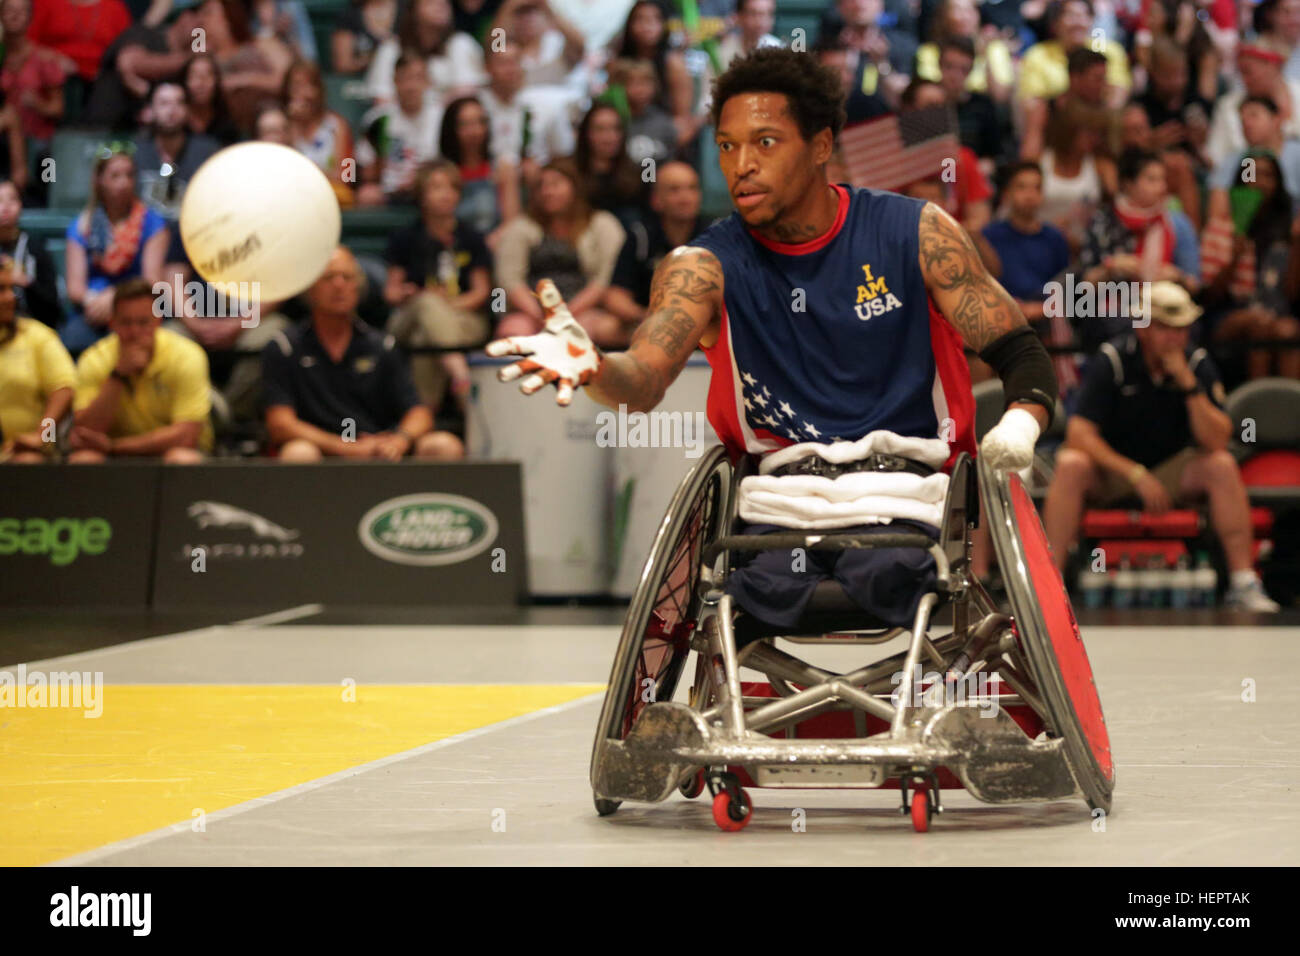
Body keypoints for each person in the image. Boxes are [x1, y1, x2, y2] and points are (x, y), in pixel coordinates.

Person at [486, 47, 1061, 631]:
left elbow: (1021, 351)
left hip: (910, 497)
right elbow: (642, 382)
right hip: (778, 507)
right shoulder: (702, 266)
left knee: (886, 573)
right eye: (727, 146)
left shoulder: (916, 232)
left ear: (819, 146)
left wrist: (1020, 424)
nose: (742, 165)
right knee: (758, 587)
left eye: (765, 142)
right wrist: (596, 369)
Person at [1042, 281, 1280, 612]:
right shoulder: (1112, 360)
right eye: (1166, 328)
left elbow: (1216, 439)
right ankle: (1049, 585)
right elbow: (1079, 434)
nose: (1176, 338)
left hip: (1173, 471)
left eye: (1182, 329)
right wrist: (1135, 474)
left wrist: (1189, 387)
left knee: (1221, 465)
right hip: (1115, 471)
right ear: (1143, 328)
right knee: (1070, 464)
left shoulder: (1196, 363)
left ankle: (1243, 582)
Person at [261, 246, 464, 462]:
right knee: (298, 453)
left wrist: (399, 440)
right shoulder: (285, 347)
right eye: (328, 277)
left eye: (347, 277)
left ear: (358, 288)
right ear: (310, 287)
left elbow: (419, 413)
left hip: (380, 449)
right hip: (321, 451)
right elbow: (280, 425)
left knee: (444, 445)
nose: (339, 285)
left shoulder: (383, 346)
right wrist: (345, 447)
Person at [383, 159, 492, 409]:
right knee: (426, 303)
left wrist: (445, 304)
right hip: (410, 317)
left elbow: (481, 292)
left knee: (426, 337)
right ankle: (461, 377)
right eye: (437, 188)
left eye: (452, 188)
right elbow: (391, 292)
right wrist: (406, 294)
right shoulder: (404, 238)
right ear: (422, 195)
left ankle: (424, 414)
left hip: (463, 317)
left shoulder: (472, 238)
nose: (446, 195)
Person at [69, 277, 211, 464]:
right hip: (111, 455)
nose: (135, 332)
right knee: (84, 460)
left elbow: (187, 435)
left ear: (157, 321)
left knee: (182, 458)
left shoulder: (187, 355)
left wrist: (115, 447)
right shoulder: (94, 360)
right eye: (126, 322)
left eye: (143, 322)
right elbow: (86, 432)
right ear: (112, 323)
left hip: (166, 451)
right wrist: (117, 375)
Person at [493, 157, 627, 347]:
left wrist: (566, 314)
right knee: (511, 333)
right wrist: (540, 315)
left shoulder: (602, 224)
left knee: (585, 333)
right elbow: (509, 279)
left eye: (555, 185)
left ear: (575, 188)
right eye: (541, 186)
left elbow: (605, 279)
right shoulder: (520, 227)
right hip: (533, 310)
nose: (547, 192)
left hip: (583, 308)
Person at [1200, 149, 1300, 380]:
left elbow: (1292, 295)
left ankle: (1291, 411)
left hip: (1276, 311)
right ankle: (1258, 411)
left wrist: (1296, 246)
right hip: (1227, 314)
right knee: (1259, 324)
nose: (1259, 182)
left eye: (1268, 175)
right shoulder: (1221, 229)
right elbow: (1210, 296)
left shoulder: (1287, 235)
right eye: (1252, 174)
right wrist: (1234, 256)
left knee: (1288, 331)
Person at [62, 147, 169, 355]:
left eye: (129, 175)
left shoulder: (153, 223)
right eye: (115, 176)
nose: (124, 183)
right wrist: (95, 302)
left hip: (139, 308)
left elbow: (153, 282)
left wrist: (116, 298)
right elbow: (75, 288)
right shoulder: (82, 225)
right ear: (99, 180)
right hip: (94, 310)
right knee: (73, 340)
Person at [981, 162, 1076, 391]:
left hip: (1046, 315)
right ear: (1006, 194)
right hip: (1001, 315)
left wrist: (1042, 308)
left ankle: (1063, 391)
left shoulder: (1055, 238)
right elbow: (982, 284)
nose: (1030, 195)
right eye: (1022, 187)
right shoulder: (989, 236)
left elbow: (1064, 286)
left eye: (1036, 188)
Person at [602, 160, 709, 327]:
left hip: (705, 326)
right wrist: (647, 317)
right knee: (605, 326)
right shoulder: (640, 236)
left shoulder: (716, 235)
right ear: (656, 200)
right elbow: (615, 296)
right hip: (651, 325)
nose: (685, 198)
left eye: (692, 189)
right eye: (674, 190)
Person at [133, 81, 222, 265]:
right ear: (149, 112)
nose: (172, 110)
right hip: (144, 251)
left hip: (197, 250)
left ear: (188, 111)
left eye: (179, 103)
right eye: (164, 103)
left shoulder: (208, 153)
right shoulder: (135, 153)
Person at [0, 263, 76, 464]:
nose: (10, 298)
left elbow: (64, 391)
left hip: (23, 454)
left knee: (28, 462)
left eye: (10, 289)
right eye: (1, 290)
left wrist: (42, 436)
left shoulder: (37, 336)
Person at [356, 53, 445, 208]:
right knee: (365, 196)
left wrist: (419, 178)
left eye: (418, 78)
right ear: (394, 81)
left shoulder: (441, 117)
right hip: (389, 192)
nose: (411, 86)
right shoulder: (378, 118)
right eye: (404, 78)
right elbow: (360, 164)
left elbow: (450, 164)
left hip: (429, 188)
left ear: (428, 82)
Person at [366, 0, 487, 105]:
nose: (441, 4)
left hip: (452, 128)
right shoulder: (390, 49)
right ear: (413, 10)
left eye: (445, 1)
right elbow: (383, 101)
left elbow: (466, 97)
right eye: (431, 1)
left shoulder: (461, 44)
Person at [434, 95, 520, 237]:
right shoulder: (441, 173)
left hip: (496, 243)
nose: (474, 131)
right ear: (451, 128)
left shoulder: (503, 168)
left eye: (480, 122)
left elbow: (511, 223)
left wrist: (488, 245)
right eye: (465, 124)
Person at [284, 60, 356, 206]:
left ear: (319, 89)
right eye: (296, 86)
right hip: (291, 196)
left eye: (308, 85)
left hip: (331, 197)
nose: (303, 93)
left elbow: (349, 176)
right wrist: (292, 125)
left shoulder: (338, 125)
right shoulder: (282, 124)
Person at [573, 102, 650, 227]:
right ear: (586, 133)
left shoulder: (640, 174)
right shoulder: (572, 172)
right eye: (600, 129)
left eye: (616, 129)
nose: (609, 137)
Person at [0, 179, 61, 330]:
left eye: (12, 199)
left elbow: (53, 308)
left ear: (21, 205)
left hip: (31, 326)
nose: (5, 207)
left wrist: (25, 281)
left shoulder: (35, 247)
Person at [28, 0, 131, 85]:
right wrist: (53, 58)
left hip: (103, 79)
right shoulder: (46, 3)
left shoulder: (115, 8)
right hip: (56, 76)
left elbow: (127, 50)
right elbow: (26, 44)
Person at [181, 53, 242, 145]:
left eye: (207, 76)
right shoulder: (176, 121)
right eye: (194, 76)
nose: (201, 84)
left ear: (217, 81)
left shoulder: (228, 122)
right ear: (185, 81)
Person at [333, 0, 402, 76]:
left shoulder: (407, 9)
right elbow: (343, 65)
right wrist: (378, 57)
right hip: (362, 80)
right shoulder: (350, 14)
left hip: (401, 78)